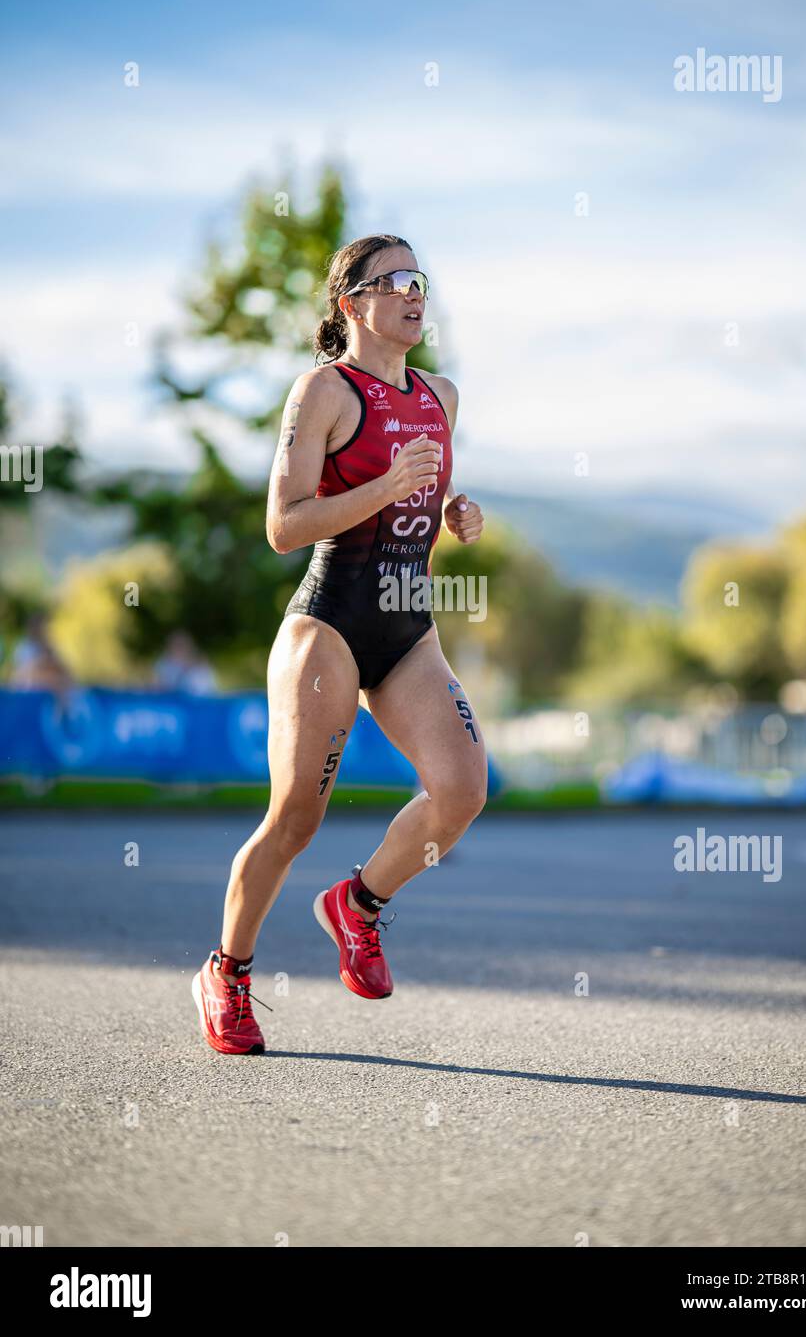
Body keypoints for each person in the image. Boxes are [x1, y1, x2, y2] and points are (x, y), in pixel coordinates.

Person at [192, 234, 486, 1054]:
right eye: (394, 282)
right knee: (295, 817)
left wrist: (452, 514)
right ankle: (228, 971)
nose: (415, 293)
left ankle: (357, 905)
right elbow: (283, 526)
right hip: (329, 620)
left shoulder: (441, 395)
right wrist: (385, 487)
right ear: (352, 302)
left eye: (420, 279)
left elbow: (419, 511)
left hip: (407, 623)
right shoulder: (322, 390)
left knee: (461, 792)